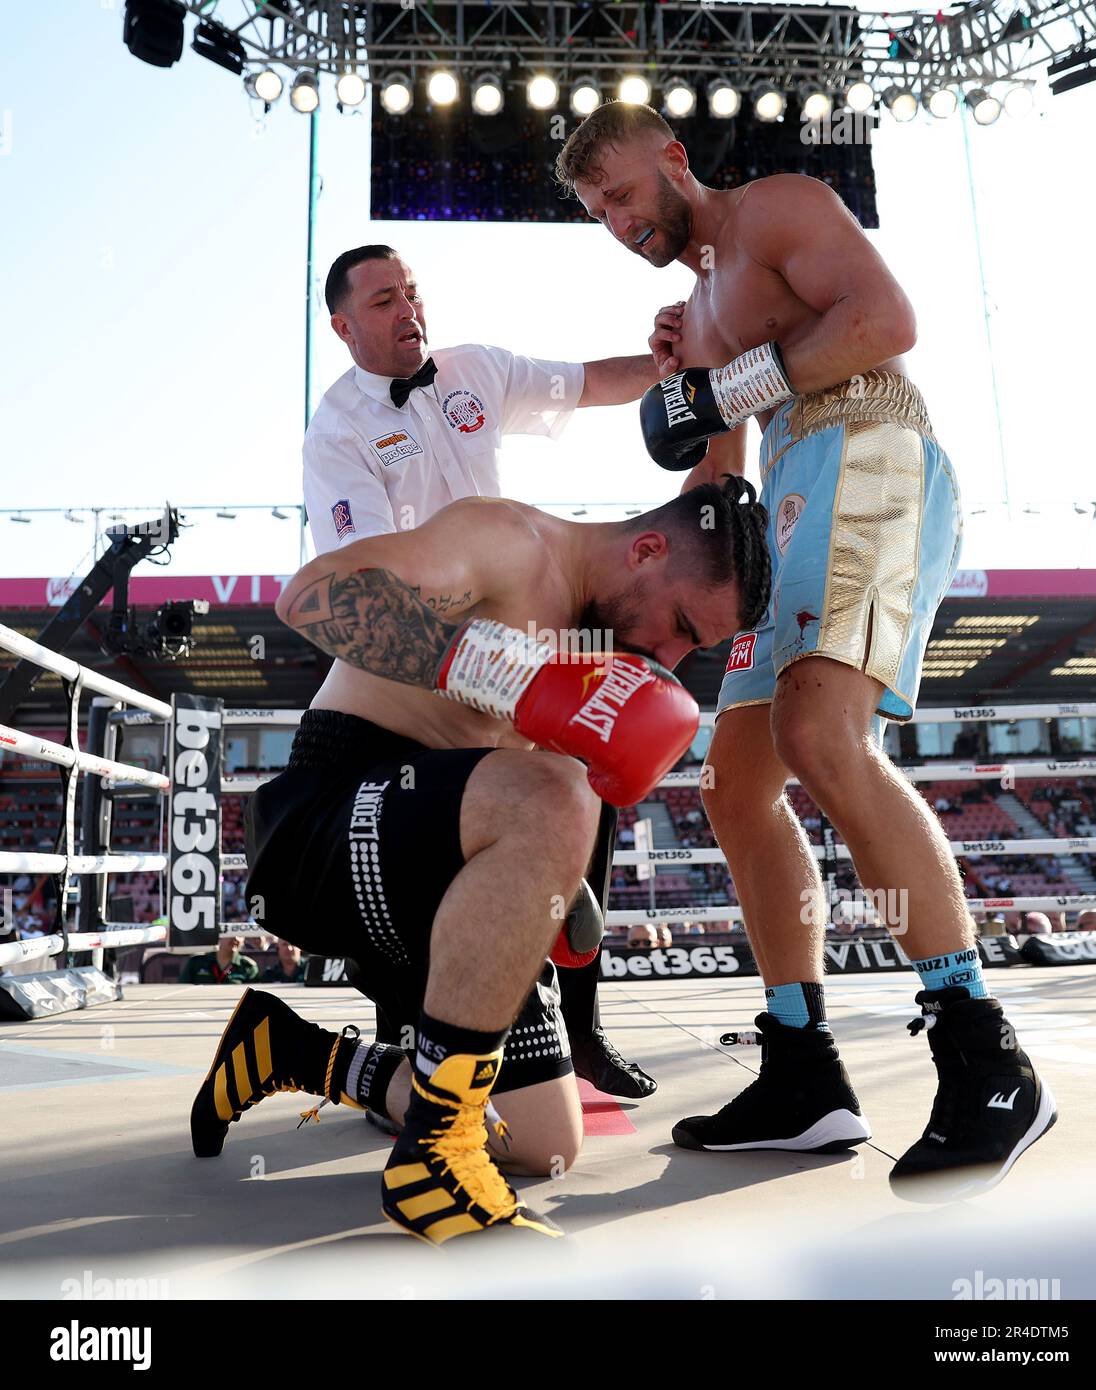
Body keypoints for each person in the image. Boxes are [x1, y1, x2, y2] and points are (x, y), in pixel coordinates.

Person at [556, 100, 1055, 1200]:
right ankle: (801, 1064)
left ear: (675, 161)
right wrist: (641, 598)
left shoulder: (777, 209)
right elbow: (715, 481)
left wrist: (724, 380)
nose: (620, 222)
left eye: (626, 195)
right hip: (779, 500)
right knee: (736, 784)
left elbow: (885, 320)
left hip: (869, 445)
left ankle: (983, 1049)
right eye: (599, 213)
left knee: (821, 735)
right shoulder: (695, 304)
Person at [191, 481, 770, 1243]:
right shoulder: (505, 539)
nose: (669, 656)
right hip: (330, 822)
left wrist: (555, 889)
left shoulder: (600, 650)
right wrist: (511, 674)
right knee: (558, 794)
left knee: (544, 1145)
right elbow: (311, 597)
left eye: (691, 649)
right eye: (681, 626)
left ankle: (295, 1050)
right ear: (647, 549)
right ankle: (432, 1150)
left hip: (445, 860)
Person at [303, 242, 665, 1099]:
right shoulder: (336, 431)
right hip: (415, 658)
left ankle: (580, 1030)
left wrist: (668, 363)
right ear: (343, 325)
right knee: (424, 828)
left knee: (591, 779)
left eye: (412, 292)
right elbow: (354, 572)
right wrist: (461, 655)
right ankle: (404, 1024)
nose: (407, 310)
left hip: (518, 623)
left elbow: (588, 383)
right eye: (385, 299)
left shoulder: (475, 370)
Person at [180, 933, 260, 985]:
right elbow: (182, 988)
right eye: (230, 934)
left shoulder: (248, 967)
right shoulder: (196, 962)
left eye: (239, 935)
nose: (235, 938)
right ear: (218, 937)